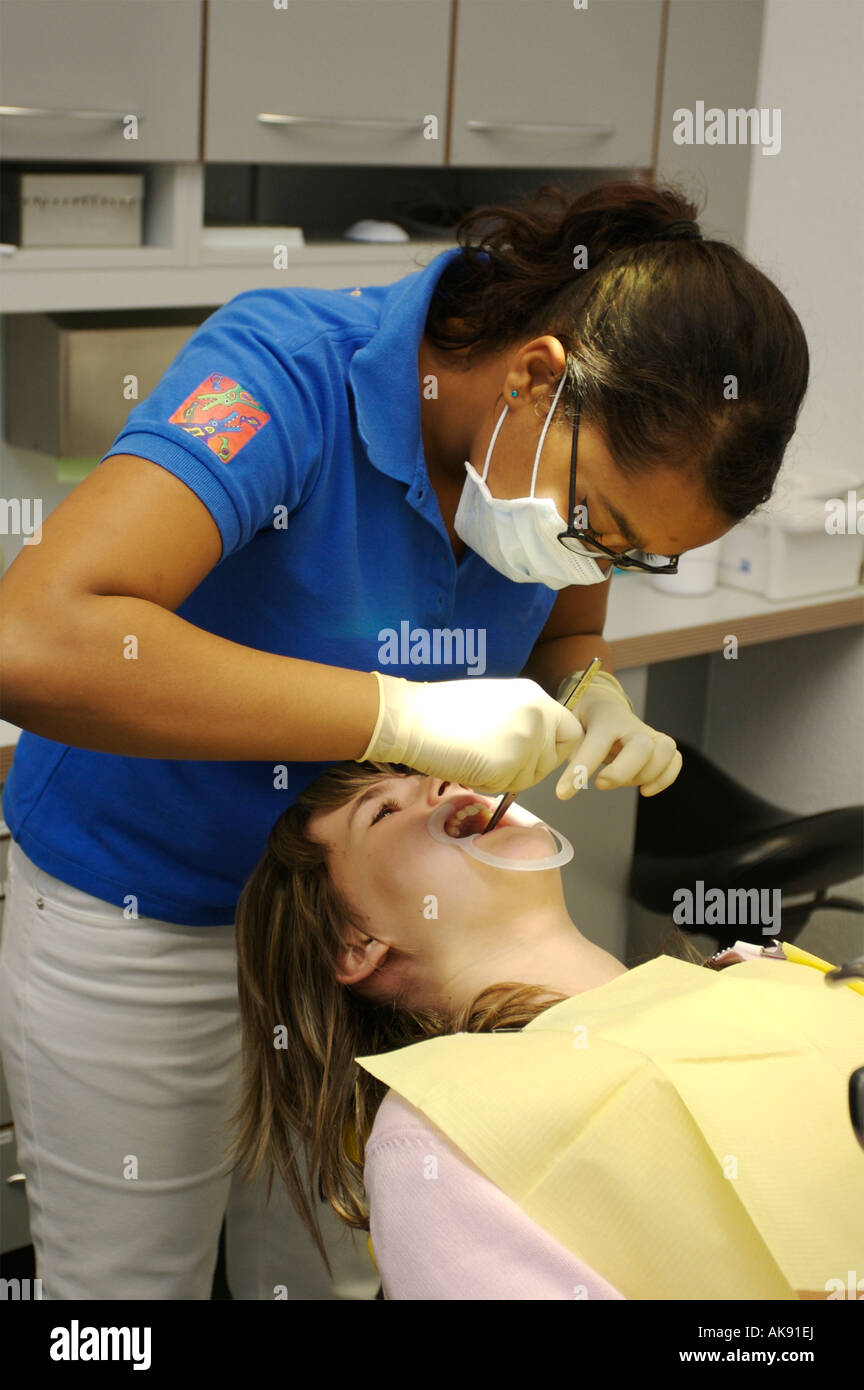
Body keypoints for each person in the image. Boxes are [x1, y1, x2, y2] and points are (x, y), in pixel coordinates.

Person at [0, 178, 810, 1299]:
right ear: (535, 375)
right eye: (595, 528)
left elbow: (565, 621)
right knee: (127, 1293)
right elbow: (35, 641)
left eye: (635, 557)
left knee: (332, 1268)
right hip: (151, 905)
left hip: (368, 939)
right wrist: (402, 714)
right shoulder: (286, 374)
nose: (598, 567)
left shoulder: (535, 475)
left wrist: (591, 689)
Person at [230, 761, 864, 1301]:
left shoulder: (763, 974)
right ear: (356, 942)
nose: (443, 787)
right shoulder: (441, 1135)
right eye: (383, 811)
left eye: (441, 774)